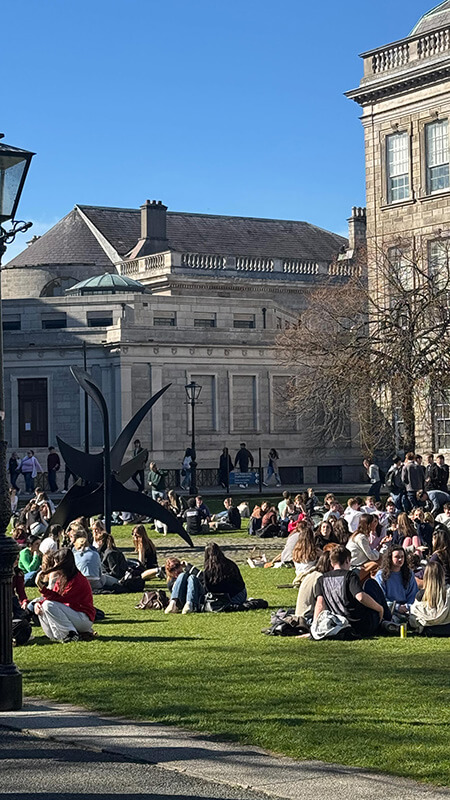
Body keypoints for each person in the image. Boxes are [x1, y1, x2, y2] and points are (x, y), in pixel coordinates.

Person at [313, 545, 392, 638]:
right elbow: (360, 597)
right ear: (347, 560)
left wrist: (315, 626)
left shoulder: (321, 579)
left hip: (339, 624)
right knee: (371, 584)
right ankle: (387, 618)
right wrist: (379, 608)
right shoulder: (350, 576)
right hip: (359, 624)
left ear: (331, 562)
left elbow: (320, 604)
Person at [165, 542, 247, 614]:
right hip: (239, 594)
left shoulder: (210, 570)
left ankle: (187, 603)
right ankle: (176, 602)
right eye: (172, 569)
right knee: (185, 576)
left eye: (177, 566)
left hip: (228, 597)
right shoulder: (230, 564)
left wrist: (190, 568)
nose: (176, 570)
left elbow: (207, 587)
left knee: (192, 577)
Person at [35, 548, 95, 642]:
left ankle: (70, 634)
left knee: (48, 605)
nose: (54, 566)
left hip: (83, 618)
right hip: (73, 614)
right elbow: (53, 595)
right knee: (42, 606)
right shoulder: (63, 578)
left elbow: (60, 598)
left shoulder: (77, 580)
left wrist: (41, 587)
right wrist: (39, 603)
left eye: (56, 563)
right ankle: (57, 636)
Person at [410, 562, 450, 635]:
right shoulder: (448, 592)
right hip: (447, 628)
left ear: (426, 576)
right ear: (442, 575)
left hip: (427, 629)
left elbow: (414, 615)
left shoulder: (420, 595)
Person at [375, 546, 418, 614]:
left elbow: (413, 594)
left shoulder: (409, 573)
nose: (400, 559)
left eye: (402, 556)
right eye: (397, 557)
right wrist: (396, 607)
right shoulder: (381, 575)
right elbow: (380, 598)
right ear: (390, 558)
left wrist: (407, 606)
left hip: (408, 610)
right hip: (389, 610)